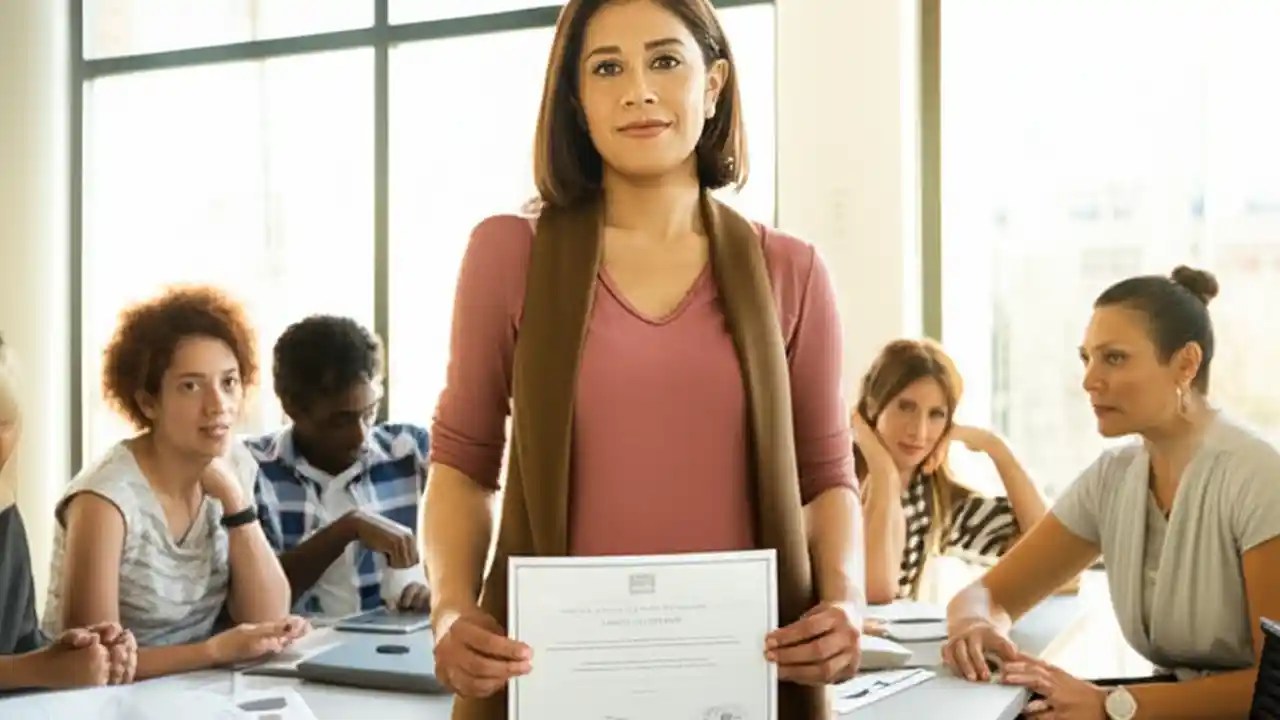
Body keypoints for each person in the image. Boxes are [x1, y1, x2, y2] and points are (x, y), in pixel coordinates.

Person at [422, 2, 864, 719]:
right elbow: (464, 463)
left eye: (665, 61)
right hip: (554, 681)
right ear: (576, 98)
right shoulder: (508, 255)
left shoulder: (791, 269)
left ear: (713, 85)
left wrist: (844, 599)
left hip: (742, 682)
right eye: (607, 68)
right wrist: (449, 609)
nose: (638, 91)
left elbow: (826, 477)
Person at [943, 266, 1280, 720]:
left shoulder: (1258, 476)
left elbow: (1275, 688)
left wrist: (1112, 704)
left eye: (1114, 358)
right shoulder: (1114, 478)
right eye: (1086, 358)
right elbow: (988, 595)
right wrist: (974, 628)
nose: (1089, 380)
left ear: (1185, 364)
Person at [42, 286, 307, 680]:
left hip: (197, 692)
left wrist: (236, 502)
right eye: (191, 385)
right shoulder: (106, 499)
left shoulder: (235, 464)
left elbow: (268, 616)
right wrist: (214, 651)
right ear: (148, 402)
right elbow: (94, 665)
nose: (218, 405)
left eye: (229, 382)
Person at [248, 315, 431, 618]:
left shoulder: (411, 452)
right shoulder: (255, 471)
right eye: (340, 420)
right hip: (298, 654)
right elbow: (255, 603)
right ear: (292, 407)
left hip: (401, 648)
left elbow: (476, 550)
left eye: (369, 412)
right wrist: (348, 529)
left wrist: (439, 590)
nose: (361, 434)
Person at [852, 339, 1046, 603]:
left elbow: (1047, 554)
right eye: (905, 407)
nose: (918, 432)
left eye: (936, 415)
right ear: (874, 405)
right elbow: (876, 591)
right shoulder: (838, 484)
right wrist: (885, 477)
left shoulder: (933, 496)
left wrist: (996, 448)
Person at [0, 334, 137, 690]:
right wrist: (35, 670)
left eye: (3, 424)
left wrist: (67, 654)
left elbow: (17, 643)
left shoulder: (4, 513)